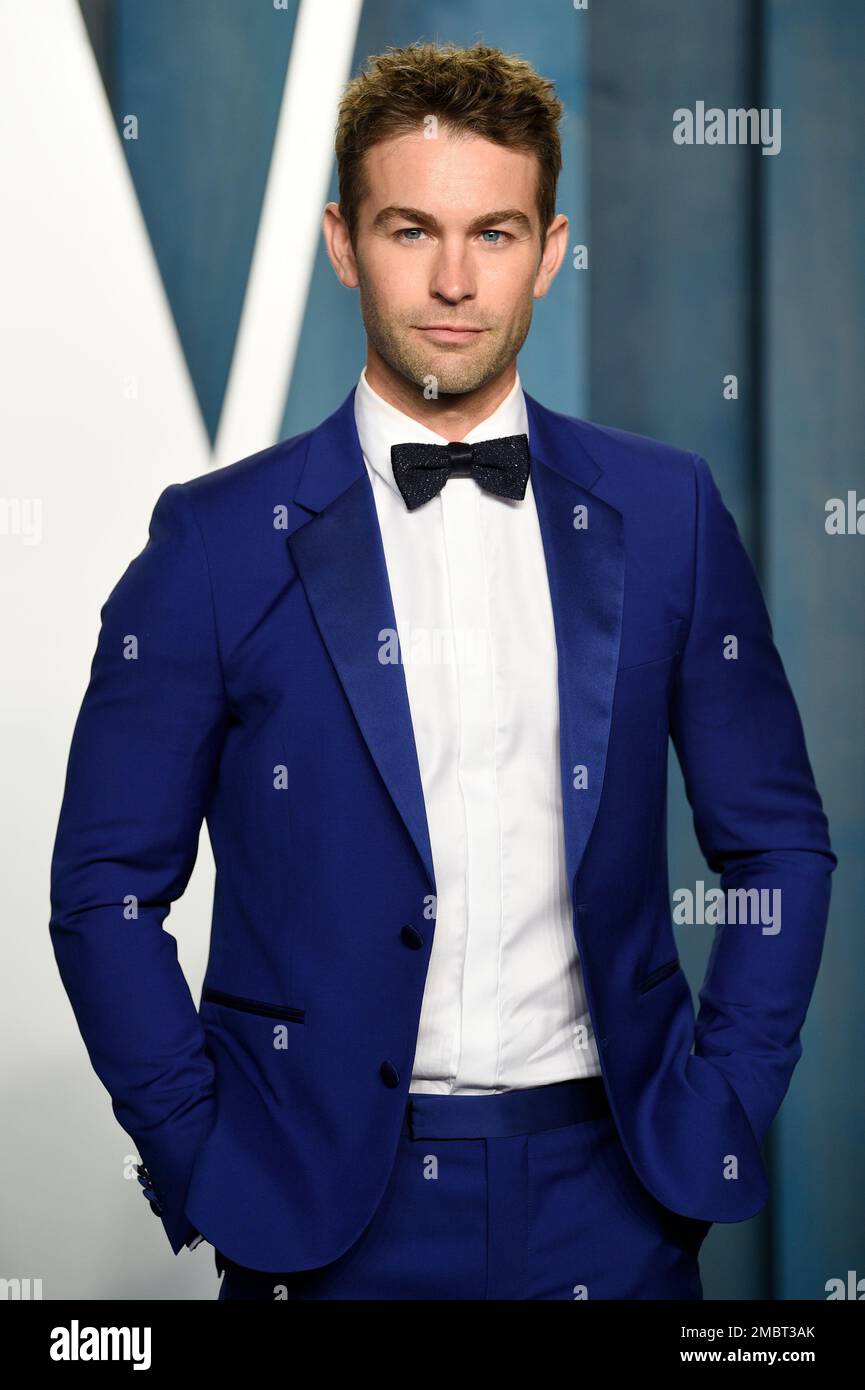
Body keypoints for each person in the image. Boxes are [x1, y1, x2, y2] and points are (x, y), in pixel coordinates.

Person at [49, 41, 836, 1300]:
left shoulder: (667, 509)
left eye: (497, 232)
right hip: (321, 1215)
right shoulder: (210, 541)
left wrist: (722, 1097)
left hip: (616, 1197)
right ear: (342, 240)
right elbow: (103, 887)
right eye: (412, 230)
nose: (457, 281)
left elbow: (778, 844)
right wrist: (202, 1157)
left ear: (550, 245)